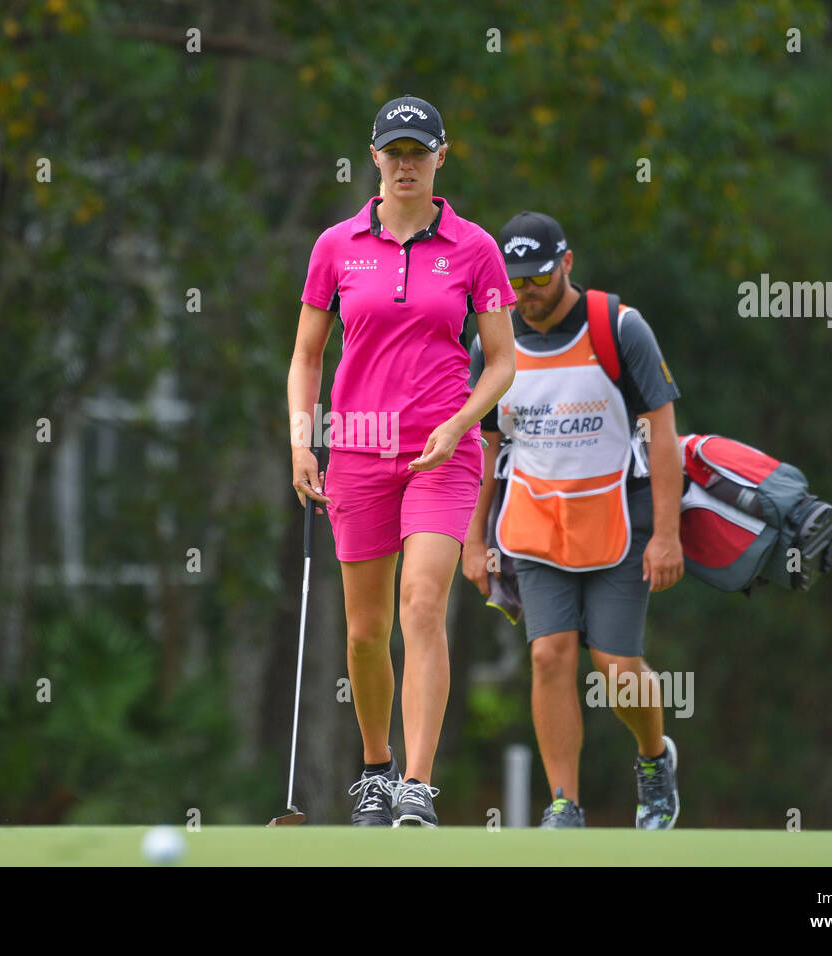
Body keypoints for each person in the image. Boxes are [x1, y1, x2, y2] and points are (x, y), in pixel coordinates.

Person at [287, 96, 516, 827]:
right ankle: (377, 769)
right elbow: (306, 357)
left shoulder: (474, 249)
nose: (407, 163)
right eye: (396, 151)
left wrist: (460, 427)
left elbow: (504, 362)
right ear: (375, 158)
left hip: (440, 453)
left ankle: (417, 785)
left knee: (421, 604)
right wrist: (301, 438)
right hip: (356, 451)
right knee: (363, 631)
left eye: (420, 151)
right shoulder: (336, 246)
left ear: (441, 157)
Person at [463, 211, 685, 829]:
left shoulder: (619, 328)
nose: (526, 293)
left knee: (614, 668)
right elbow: (484, 445)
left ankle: (652, 760)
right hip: (535, 519)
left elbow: (663, 433)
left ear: (566, 264)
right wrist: (473, 538)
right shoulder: (493, 341)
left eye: (537, 278)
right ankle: (564, 803)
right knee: (549, 657)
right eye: (515, 282)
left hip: (619, 514)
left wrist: (666, 534)